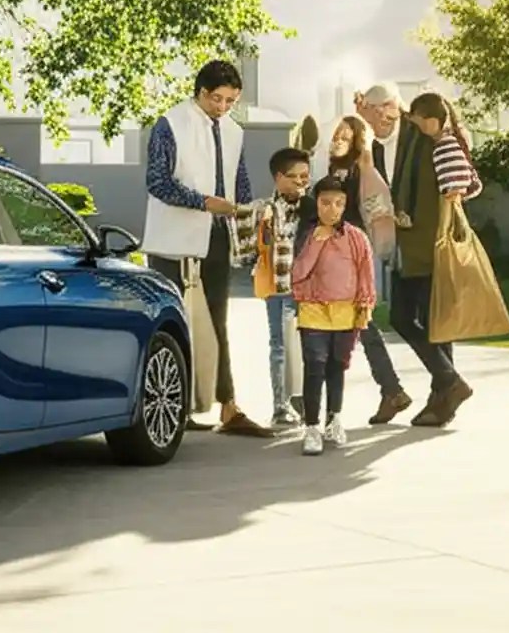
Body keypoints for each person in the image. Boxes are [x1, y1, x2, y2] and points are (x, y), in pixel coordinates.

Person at [144, 60, 272, 437]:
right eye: (216, 99)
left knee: (218, 323)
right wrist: (203, 202)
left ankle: (228, 406)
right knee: (174, 325)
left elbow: (240, 183)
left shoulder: (234, 131)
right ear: (200, 91)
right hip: (174, 240)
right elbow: (157, 182)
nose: (222, 107)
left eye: (230, 101)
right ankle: (176, 407)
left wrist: (249, 215)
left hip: (217, 238)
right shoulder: (170, 124)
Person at [317, 115, 412, 425]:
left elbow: (375, 209)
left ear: (358, 138)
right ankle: (390, 390)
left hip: (352, 253)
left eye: (347, 134)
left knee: (357, 323)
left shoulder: (362, 169)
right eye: (337, 134)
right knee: (353, 325)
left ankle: (390, 390)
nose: (339, 138)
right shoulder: (330, 168)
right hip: (329, 255)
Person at [396, 91, 483, 426]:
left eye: (418, 121)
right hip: (433, 247)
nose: (416, 127)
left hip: (433, 247)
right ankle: (443, 397)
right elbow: (475, 184)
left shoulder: (443, 144)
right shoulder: (448, 140)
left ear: (431, 119)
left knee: (406, 318)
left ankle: (450, 383)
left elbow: (461, 185)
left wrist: (450, 195)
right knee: (437, 324)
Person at [291, 175, 377, 455]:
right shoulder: (306, 235)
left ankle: (334, 418)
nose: (332, 209)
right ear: (315, 204)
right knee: (314, 365)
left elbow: (365, 272)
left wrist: (365, 305)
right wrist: (316, 242)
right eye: (325, 203)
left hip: (345, 310)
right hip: (313, 309)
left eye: (338, 203)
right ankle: (312, 426)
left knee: (337, 365)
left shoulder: (356, 237)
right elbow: (298, 272)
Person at [246, 147, 312, 427]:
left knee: (313, 347)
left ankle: (309, 403)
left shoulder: (314, 207)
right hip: (278, 287)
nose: (300, 182)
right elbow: (249, 249)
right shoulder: (265, 210)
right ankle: (280, 406)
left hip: (310, 287)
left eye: (305, 177)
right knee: (280, 346)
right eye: (293, 176)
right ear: (278, 177)